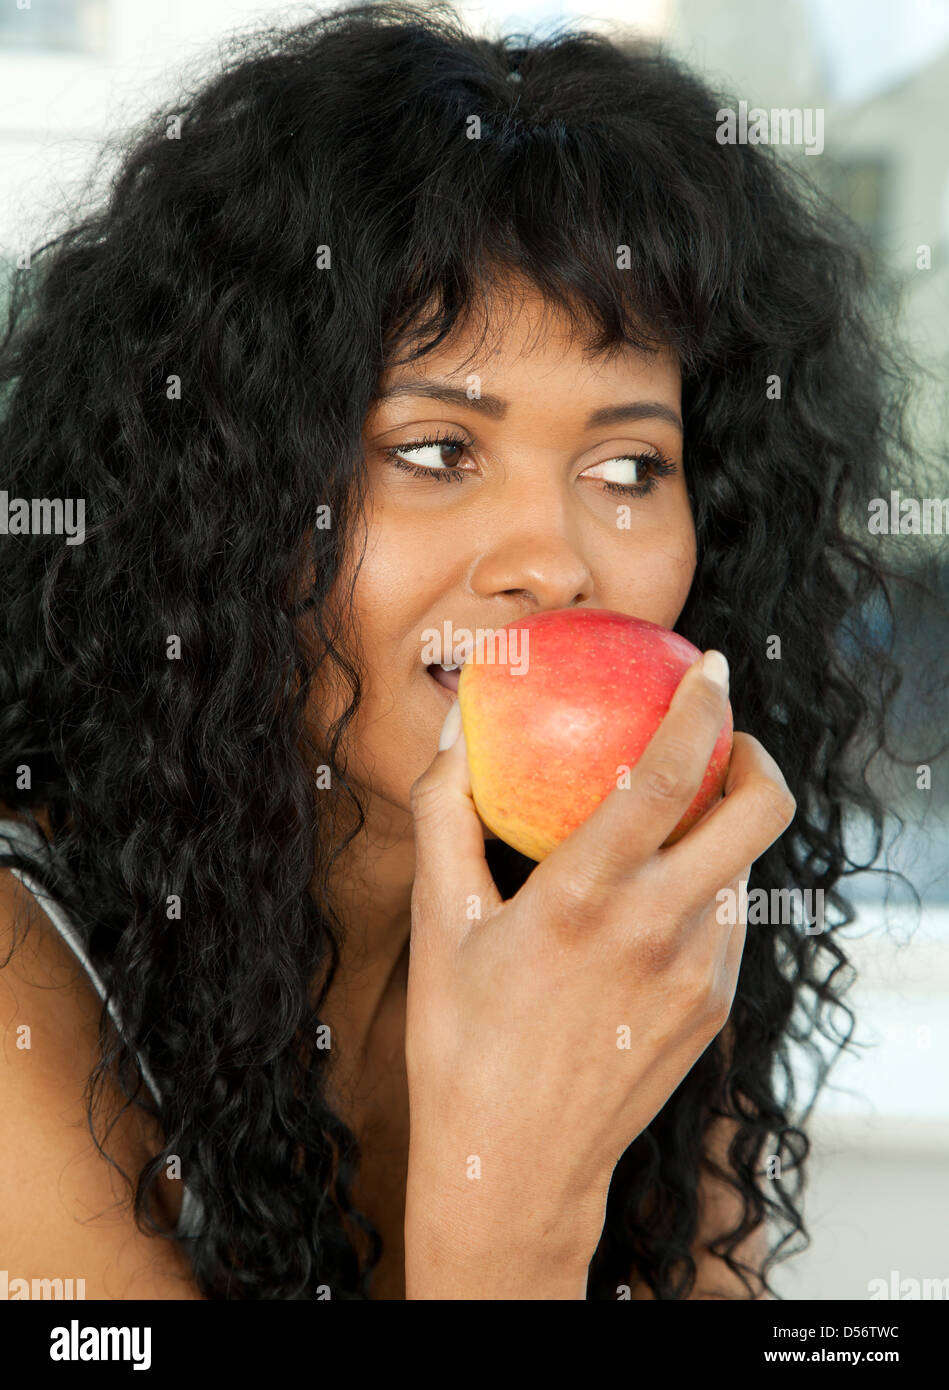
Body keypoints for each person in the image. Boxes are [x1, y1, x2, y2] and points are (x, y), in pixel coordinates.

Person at [0, 0, 940, 1300]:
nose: (551, 560)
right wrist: (508, 1223)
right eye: (437, 449)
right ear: (221, 497)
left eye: (628, 465)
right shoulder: (18, 986)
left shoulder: (628, 938)